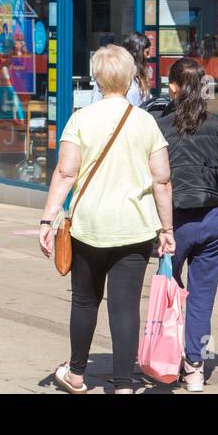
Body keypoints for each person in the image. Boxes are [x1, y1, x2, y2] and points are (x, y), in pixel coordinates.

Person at [39, 45, 174, 395]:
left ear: (97, 79)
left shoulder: (81, 119)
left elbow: (66, 173)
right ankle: (125, 385)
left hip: (89, 226)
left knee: (84, 300)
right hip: (134, 228)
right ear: (130, 77)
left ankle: (77, 374)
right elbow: (162, 180)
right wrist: (166, 228)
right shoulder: (146, 122)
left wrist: (47, 219)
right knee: (125, 305)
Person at [149, 57, 218, 391]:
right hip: (212, 218)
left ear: (173, 88)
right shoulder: (217, 123)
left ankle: (164, 356)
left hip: (175, 220)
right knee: (202, 297)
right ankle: (195, 367)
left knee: (168, 291)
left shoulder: (161, 124)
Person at [91, 32, 153, 107]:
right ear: (138, 53)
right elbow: (96, 104)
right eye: (147, 52)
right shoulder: (112, 74)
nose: (149, 56)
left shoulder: (139, 78)